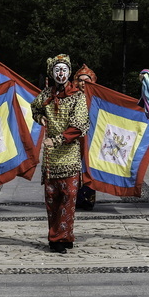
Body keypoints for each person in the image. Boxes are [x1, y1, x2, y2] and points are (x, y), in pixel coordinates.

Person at [31, 54, 88, 254]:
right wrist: (40, 118)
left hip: (69, 153)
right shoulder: (46, 94)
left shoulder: (77, 96)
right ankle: (56, 237)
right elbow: (34, 107)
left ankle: (63, 235)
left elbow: (78, 126)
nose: (61, 73)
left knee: (69, 196)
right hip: (51, 158)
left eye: (64, 69)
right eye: (57, 70)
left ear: (69, 72)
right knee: (52, 197)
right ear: (52, 73)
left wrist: (55, 140)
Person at [73, 64, 97, 211]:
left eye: (86, 80)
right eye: (81, 80)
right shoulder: (71, 97)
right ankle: (74, 198)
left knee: (89, 168)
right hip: (75, 139)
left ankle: (88, 199)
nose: (83, 83)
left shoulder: (97, 99)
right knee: (75, 168)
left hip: (91, 139)